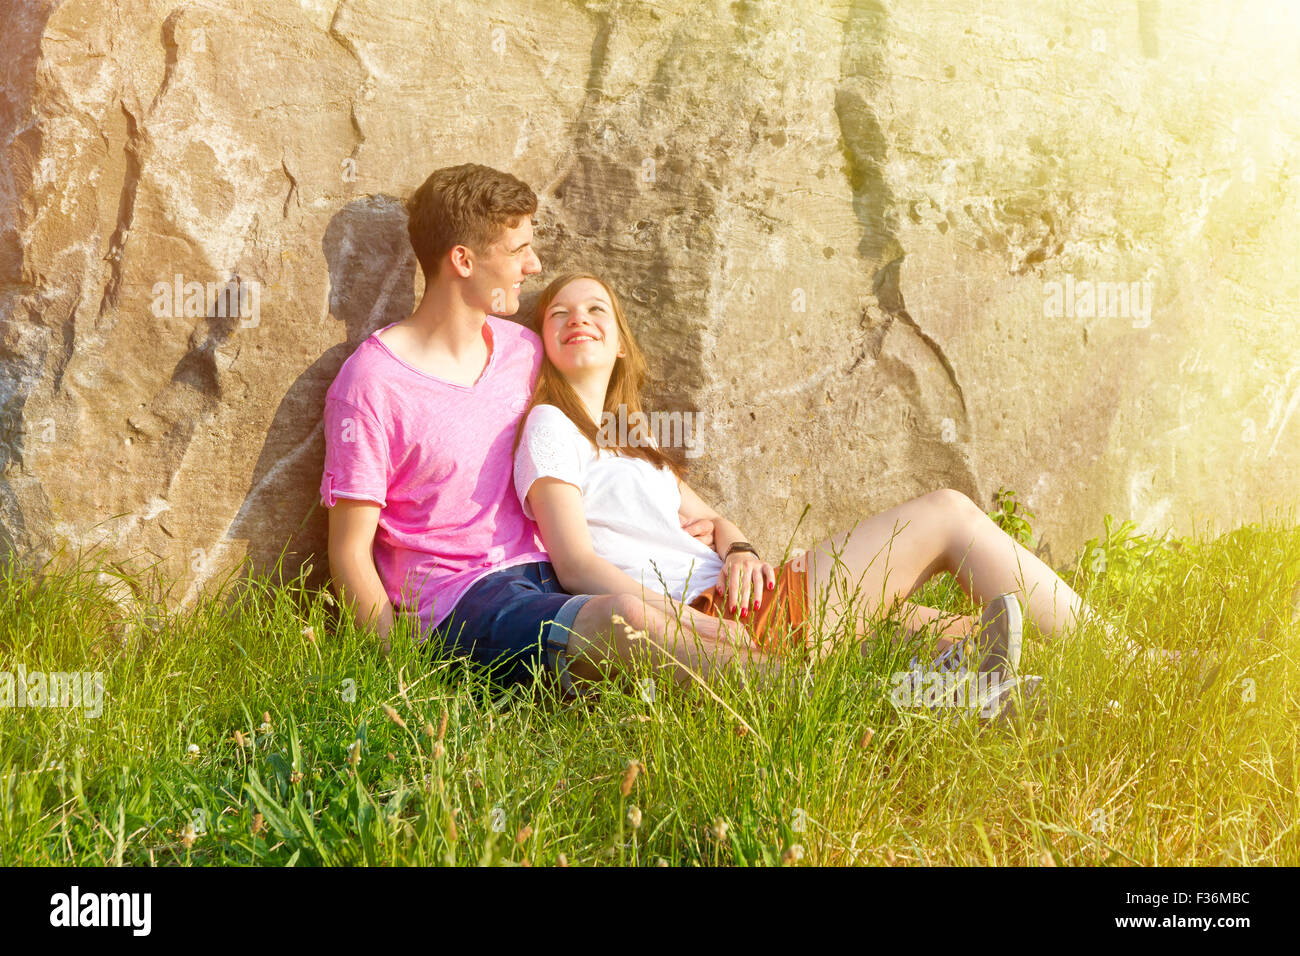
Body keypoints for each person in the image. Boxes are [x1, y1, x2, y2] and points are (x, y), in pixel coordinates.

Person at [511, 272, 1160, 710]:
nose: (579, 320)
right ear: (542, 341)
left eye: (597, 309)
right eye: (559, 313)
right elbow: (575, 565)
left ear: (622, 342)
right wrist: (696, 623)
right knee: (947, 514)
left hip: (748, 592)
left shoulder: (632, 436)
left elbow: (712, 520)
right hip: (713, 621)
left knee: (970, 639)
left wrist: (740, 552)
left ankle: (1087, 701)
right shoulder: (551, 427)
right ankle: (1136, 662)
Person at [321, 164, 771, 704]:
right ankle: (796, 698)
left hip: (555, 577)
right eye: (518, 251)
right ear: (462, 260)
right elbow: (349, 551)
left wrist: (698, 520)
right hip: (462, 603)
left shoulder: (525, 352)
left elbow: (605, 428)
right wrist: (398, 683)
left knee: (669, 617)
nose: (532, 266)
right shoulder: (372, 385)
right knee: (627, 617)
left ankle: (780, 682)